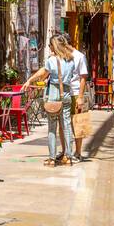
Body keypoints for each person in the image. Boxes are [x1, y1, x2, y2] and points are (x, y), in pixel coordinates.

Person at [25, 34, 78, 167]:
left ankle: (52, 158)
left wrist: (30, 80)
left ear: (54, 46)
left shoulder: (52, 60)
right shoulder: (71, 60)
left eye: (49, 45)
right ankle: (68, 156)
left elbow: (43, 73)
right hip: (66, 93)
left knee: (52, 127)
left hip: (54, 93)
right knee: (66, 125)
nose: (49, 48)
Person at [60, 33, 89, 161]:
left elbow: (83, 77)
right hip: (63, 93)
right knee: (62, 123)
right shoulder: (60, 56)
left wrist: (81, 97)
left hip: (76, 92)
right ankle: (65, 151)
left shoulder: (79, 56)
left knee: (78, 122)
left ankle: (78, 152)